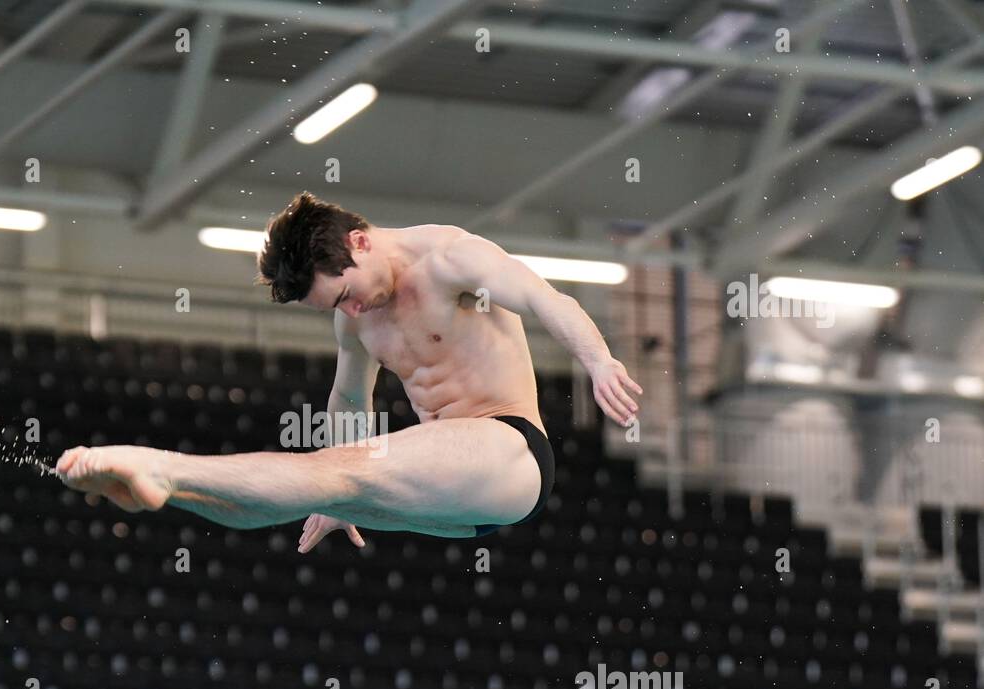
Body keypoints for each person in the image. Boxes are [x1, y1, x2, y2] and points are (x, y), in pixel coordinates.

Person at [57, 191, 641, 553]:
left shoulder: (450, 258)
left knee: (329, 473)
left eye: (346, 295)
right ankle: (171, 490)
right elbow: (349, 401)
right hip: (459, 509)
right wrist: (343, 491)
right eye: (336, 308)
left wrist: (598, 360)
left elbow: (544, 299)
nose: (352, 312)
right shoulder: (354, 319)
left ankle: (162, 466)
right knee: (311, 490)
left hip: (509, 451)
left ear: (359, 242)